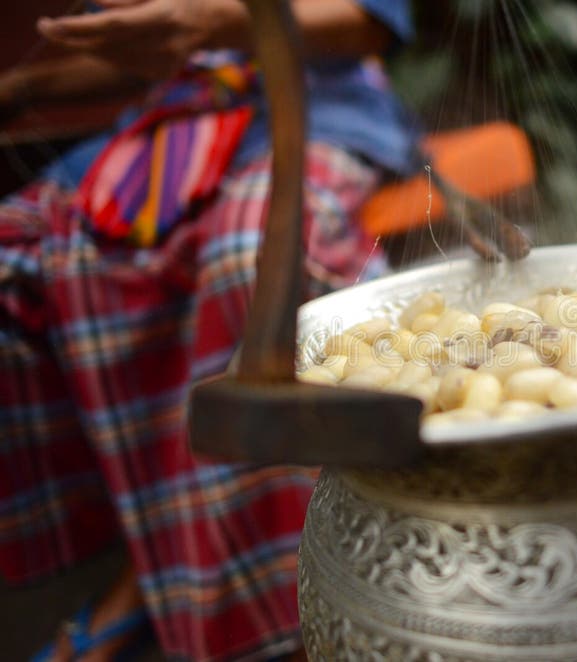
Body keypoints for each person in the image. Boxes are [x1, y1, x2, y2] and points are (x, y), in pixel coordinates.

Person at [0, 1, 419, 660]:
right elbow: (146, 48)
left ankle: (293, 617)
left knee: (248, 262)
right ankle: (151, 572)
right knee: (51, 257)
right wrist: (22, 88)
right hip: (179, 129)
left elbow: (373, 20)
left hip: (313, 109)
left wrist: (219, 22)